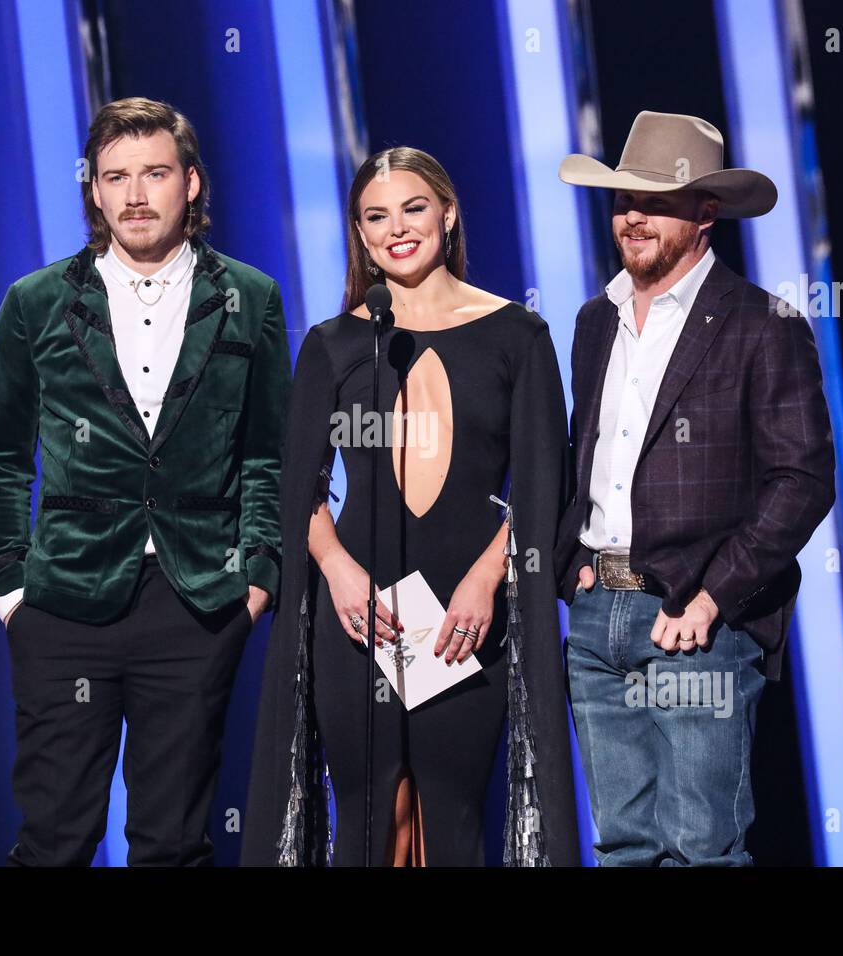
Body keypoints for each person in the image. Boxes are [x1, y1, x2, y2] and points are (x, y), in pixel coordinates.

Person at [0, 97, 290, 866]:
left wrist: (258, 578)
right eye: (116, 176)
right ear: (94, 190)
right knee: (53, 838)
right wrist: (10, 586)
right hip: (64, 601)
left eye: (154, 173)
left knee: (173, 842)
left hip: (197, 602)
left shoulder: (251, 298)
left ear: (192, 184)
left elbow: (271, 454)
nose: (135, 194)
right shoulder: (37, 301)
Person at [243, 147, 579, 867]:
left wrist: (489, 577)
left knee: (450, 818)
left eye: (414, 208)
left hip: (465, 617)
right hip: (360, 616)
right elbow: (296, 484)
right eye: (376, 216)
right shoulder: (335, 345)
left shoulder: (518, 336)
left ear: (448, 213)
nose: (397, 228)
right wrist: (336, 569)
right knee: (371, 819)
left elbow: (544, 482)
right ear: (361, 235)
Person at [554, 110, 836, 865]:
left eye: (655, 200)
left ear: (707, 212)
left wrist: (711, 597)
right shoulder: (595, 321)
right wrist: (571, 568)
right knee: (623, 849)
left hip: (694, 623)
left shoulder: (761, 323)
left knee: (701, 849)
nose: (633, 217)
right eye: (623, 200)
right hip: (594, 620)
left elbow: (802, 481)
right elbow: (584, 455)